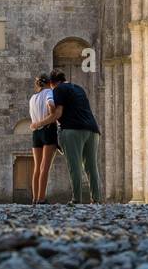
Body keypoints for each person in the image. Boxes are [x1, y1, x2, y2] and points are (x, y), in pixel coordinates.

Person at [35, 69, 102, 204]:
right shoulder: (79, 88)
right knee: (91, 166)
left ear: (53, 83)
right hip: (93, 130)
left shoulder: (58, 90)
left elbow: (58, 113)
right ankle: (96, 199)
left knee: (75, 166)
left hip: (73, 130)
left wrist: (39, 123)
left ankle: (76, 199)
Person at [27, 73, 58, 204]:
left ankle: (34, 198)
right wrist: (52, 114)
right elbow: (50, 103)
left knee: (37, 167)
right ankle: (41, 198)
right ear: (48, 82)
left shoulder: (32, 98)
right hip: (47, 130)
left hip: (36, 133)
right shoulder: (48, 92)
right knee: (45, 167)